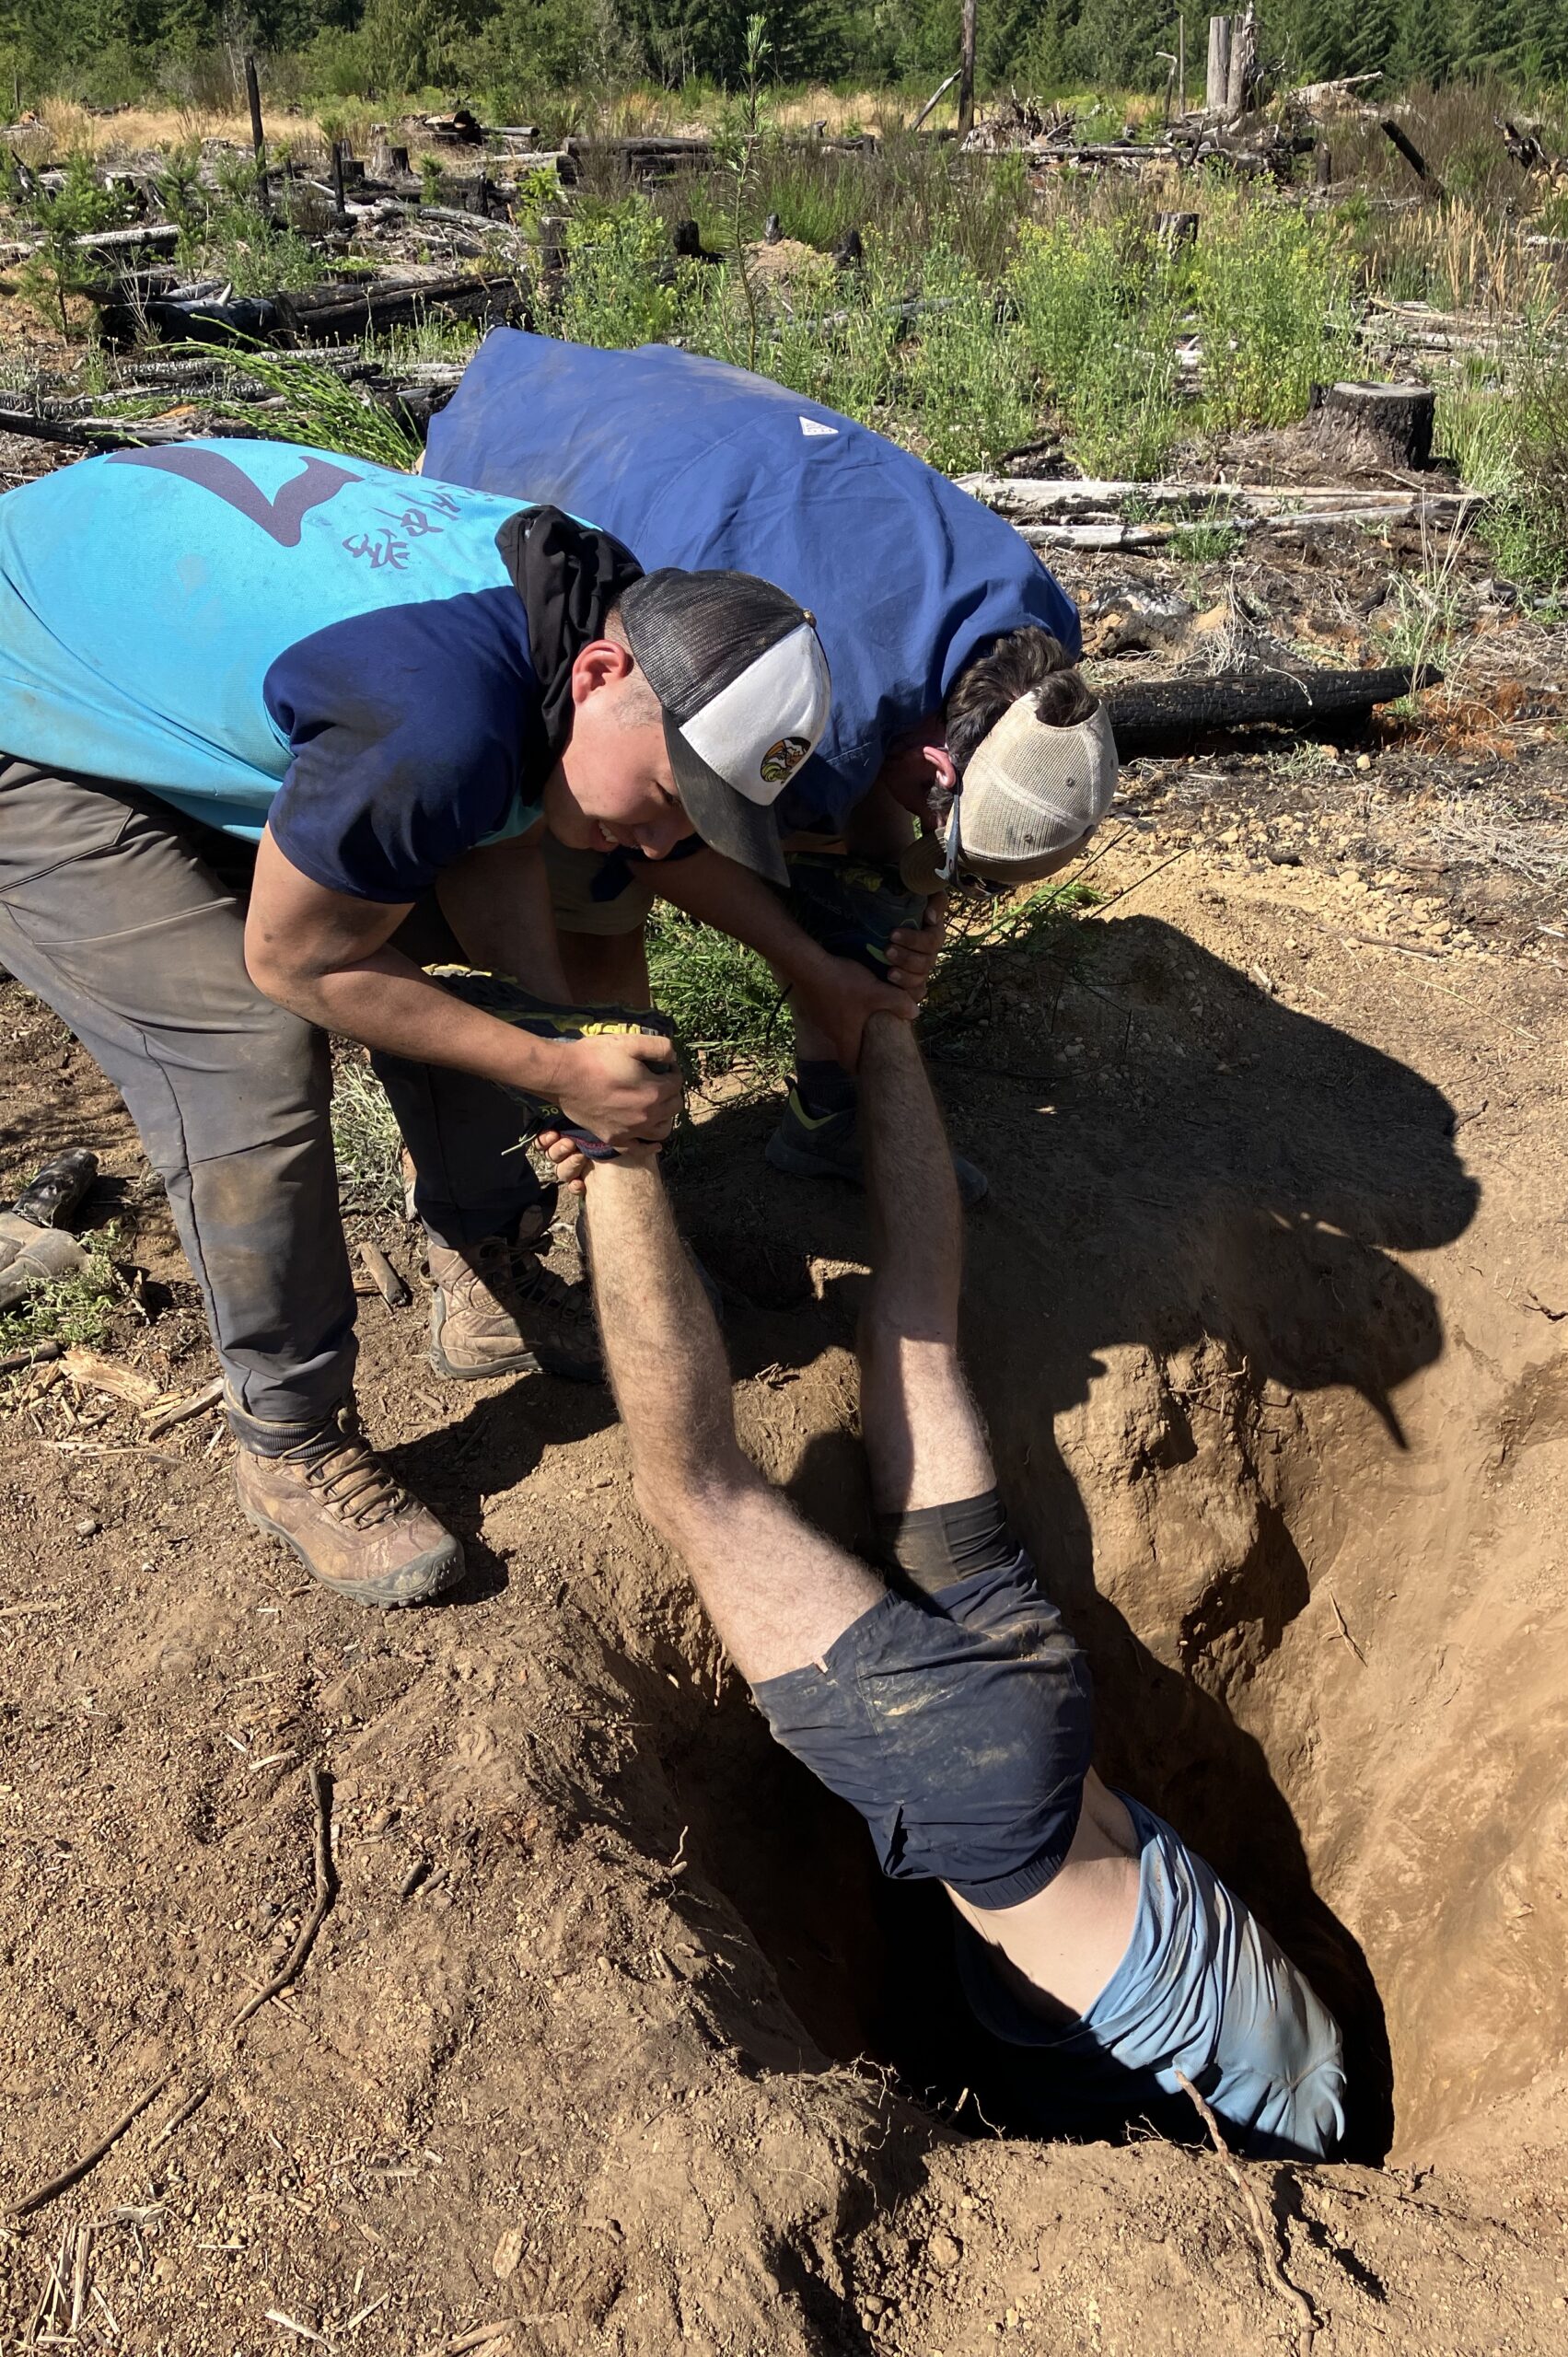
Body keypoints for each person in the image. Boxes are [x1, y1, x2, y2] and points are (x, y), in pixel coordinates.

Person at [0, 435, 900, 1608]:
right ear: (599, 678)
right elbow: (294, 959)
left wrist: (550, 1047)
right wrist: (548, 1062)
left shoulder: (588, 600)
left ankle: (486, 1258)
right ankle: (290, 1436)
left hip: (150, 615)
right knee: (244, 1045)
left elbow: (493, 825)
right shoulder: (436, 711)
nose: (661, 848)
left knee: (466, 975)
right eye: (674, 800)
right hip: (31, 697)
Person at [566, 1016, 1347, 2155]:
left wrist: (877, 1003)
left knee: (921, 1328)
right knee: (699, 1493)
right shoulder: (1254, 2142)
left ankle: (880, 1018)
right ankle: (623, 1154)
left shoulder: (1312, 2081)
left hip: (1052, 1709)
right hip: (982, 1794)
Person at [426, 333, 1121, 1201]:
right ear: (941, 754)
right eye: (943, 829)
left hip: (693, 424)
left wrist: (870, 922)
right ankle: (606, 1176)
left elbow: (874, 786)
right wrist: (817, 967)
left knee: (863, 881)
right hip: (535, 447)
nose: (936, 858)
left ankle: (831, 1119)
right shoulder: (810, 721)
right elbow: (663, 846)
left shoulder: (1036, 625)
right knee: (597, 877)